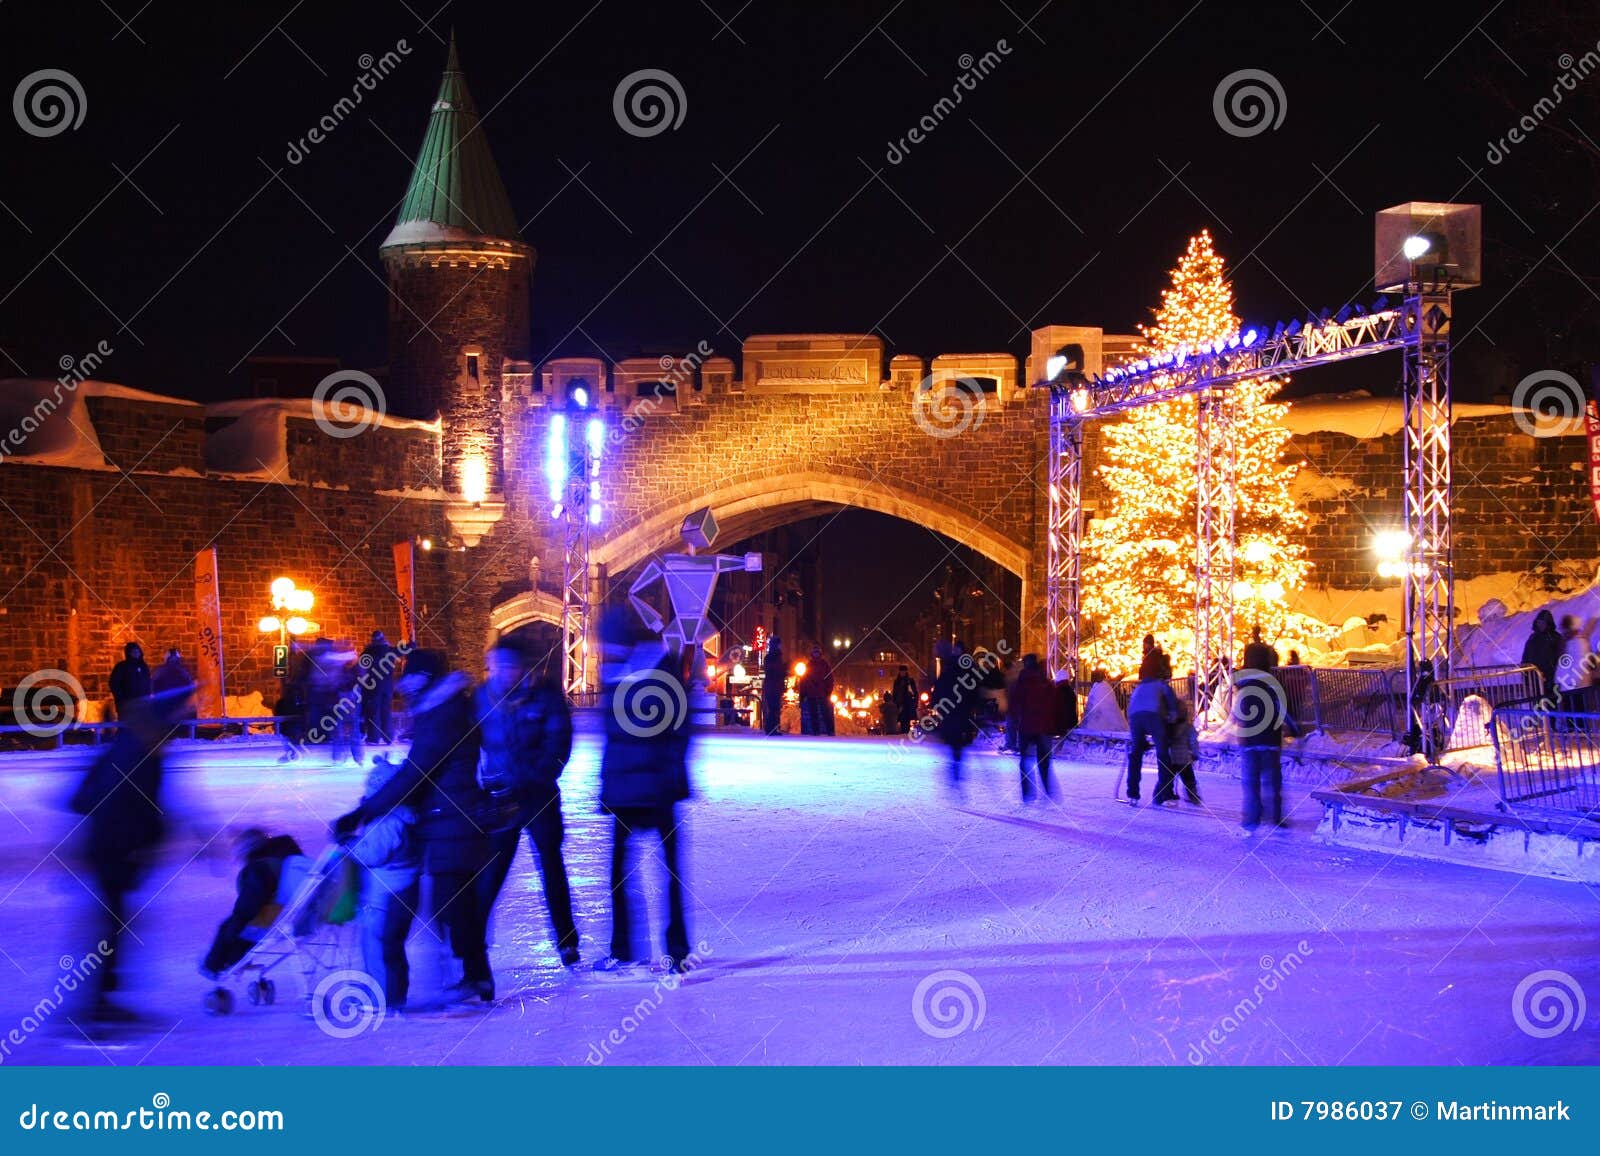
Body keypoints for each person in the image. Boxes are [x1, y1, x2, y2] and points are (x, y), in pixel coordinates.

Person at [335, 650, 494, 1005]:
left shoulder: (442, 714)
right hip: (449, 818)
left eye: (413, 683)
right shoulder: (444, 709)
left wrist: (364, 811)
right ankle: (475, 977)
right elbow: (418, 771)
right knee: (455, 904)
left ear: (425, 681)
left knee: (452, 906)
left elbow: (416, 772)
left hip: (455, 820)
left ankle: (475, 978)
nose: (407, 692)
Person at [69, 684, 193, 1026]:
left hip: (107, 849)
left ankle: (99, 999)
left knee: (113, 924)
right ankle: (96, 1005)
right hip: (115, 852)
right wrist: (143, 841)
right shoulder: (144, 757)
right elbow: (149, 810)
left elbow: (80, 798)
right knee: (112, 926)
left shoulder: (127, 746)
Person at [595, 606, 693, 976]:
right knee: (623, 875)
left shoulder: (659, 673)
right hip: (627, 788)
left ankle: (676, 950)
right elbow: (613, 738)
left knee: (667, 872)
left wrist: (666, 776)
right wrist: (607, 785)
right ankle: (625, 948)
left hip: (657, 788)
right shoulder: (616, 674)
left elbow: (678, 731)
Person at [475, 639, 579, 967]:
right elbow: (469, 741)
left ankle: (566, 941)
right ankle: (473, 945)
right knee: (491, 872)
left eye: (510, 666)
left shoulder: (545, 694)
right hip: (501, 797)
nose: (505, 673)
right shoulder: (482, 698)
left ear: (521, 667)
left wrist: (541, 773)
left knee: (551, 866)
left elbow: (559, 740)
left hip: (539, 796)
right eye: (498, 666)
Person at [346, 757, 421, 1012]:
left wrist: (348, 844)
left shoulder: (387, 821)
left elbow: (372, 854)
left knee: (379, 944)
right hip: (400, 890)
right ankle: (388, 994)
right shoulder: (404, 817)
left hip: (388, 895)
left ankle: (386, 996)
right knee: (387, 945)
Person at [200, 829, 311, 977]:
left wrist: (233, 929)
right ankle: (223, 959)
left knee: (230, 927)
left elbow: (248, 907)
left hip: (278, 916)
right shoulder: (292, 862)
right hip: (304, 911)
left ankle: (213, 965)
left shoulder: (258, 869)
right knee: (243, 925)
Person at [1234, 645, 1299, 834]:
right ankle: (1276, 817)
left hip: (1249, 742)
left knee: (1251, 782)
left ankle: (1251, 818)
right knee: (1272, 782)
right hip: (1270, 740)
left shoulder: (1243, 685)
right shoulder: (1273, 685)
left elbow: (1237, 713)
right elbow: (1283, 710)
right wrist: (1294, 729)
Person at [1125, 666, 1179, 806]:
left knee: (1136, 754)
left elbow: (1131, 707)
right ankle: (1165, 794)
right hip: (1153, 716)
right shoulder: (1161, 685)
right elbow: (1172, 705)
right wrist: (1172, 719)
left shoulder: (1138, 688)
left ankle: (1132, 794)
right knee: (1163, 754)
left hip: (1134, 717)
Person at [932, 640, 979, 800]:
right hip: (958, 711)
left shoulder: (951, 669)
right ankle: (956, 770)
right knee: (957, 744)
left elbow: (940, 688)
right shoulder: (962, 669)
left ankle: (956, 771)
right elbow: (973, 689)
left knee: (955, 743)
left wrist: (937, 703)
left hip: (954, 711)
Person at [1009, 653, 1056, 803]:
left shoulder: (1021, 682)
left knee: (1025, 760)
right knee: (1043, 760)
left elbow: (1014, 703)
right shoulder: (1045, 681)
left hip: (1026, 726)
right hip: (1042, 726)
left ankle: (1028, 793)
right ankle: (1048, 789)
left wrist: (1015, 720)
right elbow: (1052, 702)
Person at [1154, 703, 1203, 806]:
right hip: (1183, 759)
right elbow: (1193, 741)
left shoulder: (1167, 727)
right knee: (1189, 779)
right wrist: (1195, 753)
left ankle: (1158, 797)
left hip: (1169, 759)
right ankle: (1193, 797)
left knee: (1166, 779)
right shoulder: (1188, 728)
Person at [360, 630, 399, 744]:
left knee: (374, 711)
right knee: (386, 710)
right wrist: (411, 644)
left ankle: (374, 737)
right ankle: (388, 737)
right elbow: (403, 650)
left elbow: (362, 666)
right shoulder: (389, 650)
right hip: (387, 686)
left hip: (373, 685)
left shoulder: (368, 652)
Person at [1520, 608, 1562, 705]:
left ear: (1548, 623)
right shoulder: (1532, 638)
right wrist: (1525, 676)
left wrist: (1554, 675)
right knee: (1537, 705)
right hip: (1535, 679)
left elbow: (1560, 657)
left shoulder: (1555, 638)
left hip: (1550, 679)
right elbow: (1526, 656)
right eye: (1538, 622)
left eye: (1543, 622)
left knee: (1552, 704)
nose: (1540, 625)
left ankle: (1553, 719)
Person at [1555, 614, 1595, 711]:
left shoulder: (1578, 643)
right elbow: (1562, 665)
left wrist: (1570, 683)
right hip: (1569, 687)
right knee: (1572, 715)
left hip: (1576, 688)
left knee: (1577, 715)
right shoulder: (1569, 642)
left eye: (1566, 629)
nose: (1564, 632)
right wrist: (1558, 681)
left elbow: (1579, 665)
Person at [108, 642, 151, 720]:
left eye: (138, 651)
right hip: (127, 705)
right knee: (126, 727)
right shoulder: (121, 666)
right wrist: (121, 699)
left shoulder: (143, 666)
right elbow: (114, 683)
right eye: (134, 652)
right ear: (129, 653)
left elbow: (148, 682)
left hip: (142, 705)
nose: (136, 653)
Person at [798, 645, 834, 736]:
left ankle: (829, 730)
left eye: (817, 652)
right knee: (815, 713)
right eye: (815, 652)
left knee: (825, 712)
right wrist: (803, 694)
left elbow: (830, 680)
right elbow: (803, 681)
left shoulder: (824, 665)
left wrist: (828, 692)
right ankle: (817, 731)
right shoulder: (809, 665)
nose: (816, 654)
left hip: (821, 693)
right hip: (813, 693)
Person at [760, 635, 786, 735]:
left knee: (775, 708)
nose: (780, 646)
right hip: (772, 686)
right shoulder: (772, 657)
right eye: (779, 644)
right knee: (773, 708)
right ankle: (771, 728)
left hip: (774, 685)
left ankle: (773, 728)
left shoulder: (775, 657)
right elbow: (772, 671)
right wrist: (782, 671)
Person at [891, 665, 918, 734]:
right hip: (900, 704)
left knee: (906, 720)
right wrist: (895, 703)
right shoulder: (897, 681)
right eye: (901, 671)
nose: (902, 673)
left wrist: (914, 702)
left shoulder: (910, 681)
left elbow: (914, 692)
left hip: (907, 703)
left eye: (903, 671)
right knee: (902, 720)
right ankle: (904, 733)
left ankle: (906, 733)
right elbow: (895, 693)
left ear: (906, 672)